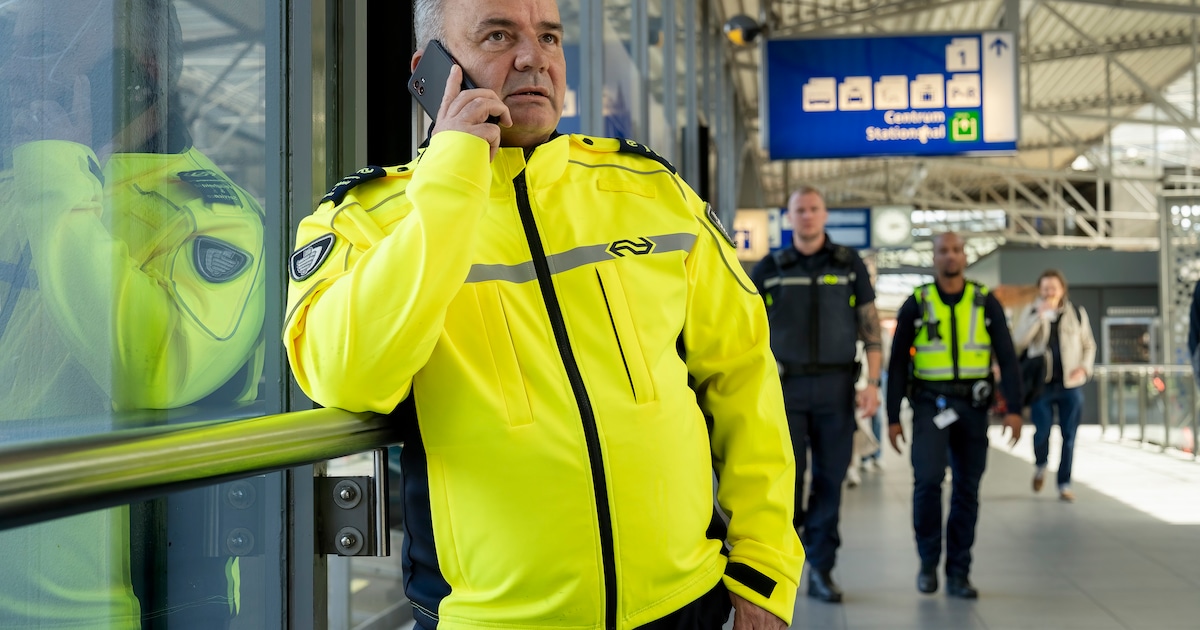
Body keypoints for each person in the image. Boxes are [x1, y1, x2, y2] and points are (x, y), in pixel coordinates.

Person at [283, 0, 804, 628]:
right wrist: (452, 181)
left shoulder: (651, 192)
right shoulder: (364, 221)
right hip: (492, 620)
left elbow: (744, 376)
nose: (534, 58)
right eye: (499, 35)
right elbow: (347, 375)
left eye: (549, 37)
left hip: (686, 604)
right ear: (430, 69)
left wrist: (764, 569)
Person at [0, 0, 265, 626]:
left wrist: (59, 172)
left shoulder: (209, 219)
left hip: (108, 614)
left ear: (138, 72)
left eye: (40, 50)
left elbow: (155, 374)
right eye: (11, 44)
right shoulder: (26, 185)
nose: (11, 67)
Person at [749, 185, 881, 603]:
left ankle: (822, 571)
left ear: (824, 215)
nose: (807, 216)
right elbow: (748, 332)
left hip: (836, 391)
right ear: (789, 218)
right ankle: (784, 568)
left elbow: (871, 328)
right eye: (799, 210)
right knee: (787, 482)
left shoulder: (847, 264)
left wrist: (873, 384)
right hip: (783, 390)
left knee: (830, 479)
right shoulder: (770, 266)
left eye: (813, 209)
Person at [886, 232, 1022, 600]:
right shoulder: (917, 303)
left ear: (965, 256)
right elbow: (897, 364)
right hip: (930, 405)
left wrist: (1015, 409)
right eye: (944, 251)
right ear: (934, 257)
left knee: (967, 489)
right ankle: (928, 562)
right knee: (927, 482)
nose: (951, 256)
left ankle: (959, 571)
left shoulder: (984, 301)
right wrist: (892, 416)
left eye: (957, 250)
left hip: (974, 408)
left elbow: (1008, 358)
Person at [1012, 269, 1095, 502]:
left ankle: (1064, 483)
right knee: (1042, 432)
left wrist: (1085, 368)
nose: (1049, 292)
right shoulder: (1030, 311)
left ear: (1062, 290)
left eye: (1053, 288)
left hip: (1070, 384)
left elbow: (1089, 345)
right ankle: (1041, 465)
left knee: (1069, 436)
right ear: (1040, 290)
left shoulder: (1077, 313)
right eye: (1045, 288)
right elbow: (1019, 342)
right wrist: (1038, 316)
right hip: (1042, 385)